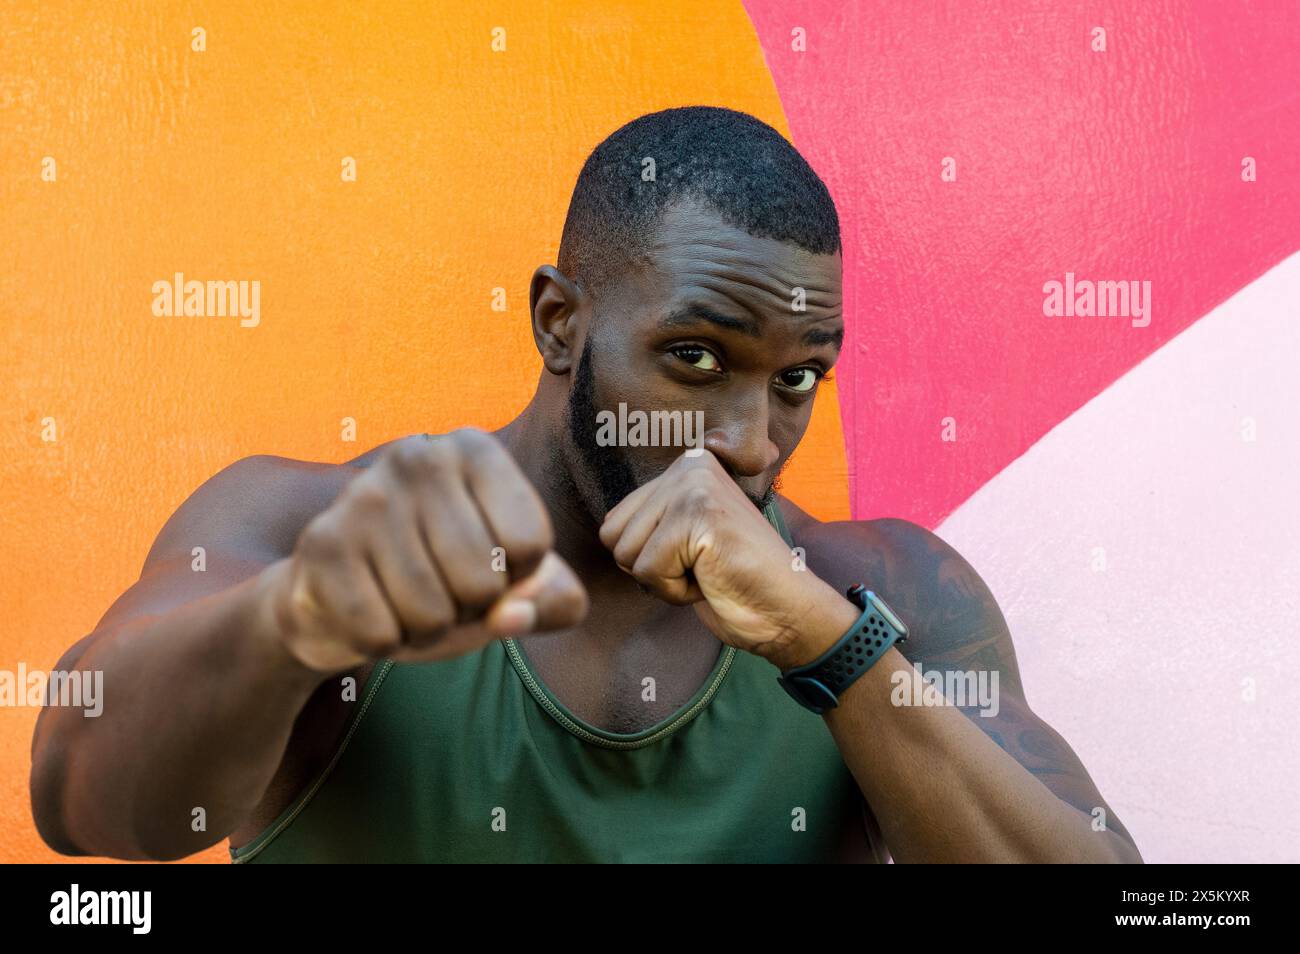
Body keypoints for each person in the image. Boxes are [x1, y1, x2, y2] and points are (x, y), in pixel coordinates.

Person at [30, 106, 1141, 863]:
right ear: (561, 322)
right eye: (696, 359)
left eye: (799, 378)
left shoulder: (882, 589)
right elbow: (78, 806)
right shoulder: (308, 524)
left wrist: (828, 647)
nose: (752, 443)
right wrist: (296, 622)